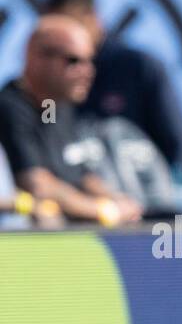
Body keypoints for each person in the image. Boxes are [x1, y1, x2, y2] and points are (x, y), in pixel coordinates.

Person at [44, 0, 182, 173]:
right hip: (77, 199)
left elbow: (177, 149)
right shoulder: (46, 77)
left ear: (93, 18)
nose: (66, 40)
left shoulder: (139, 68)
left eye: (72, 26)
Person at [0, 15, 142, 225]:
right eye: (74, 60)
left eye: (90, 61)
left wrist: (117, 200)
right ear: (35, 57)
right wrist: (103, 210)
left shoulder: (58, 105)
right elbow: (38, 185)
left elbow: (79, 173)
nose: (88, 71)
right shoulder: (9, 106)